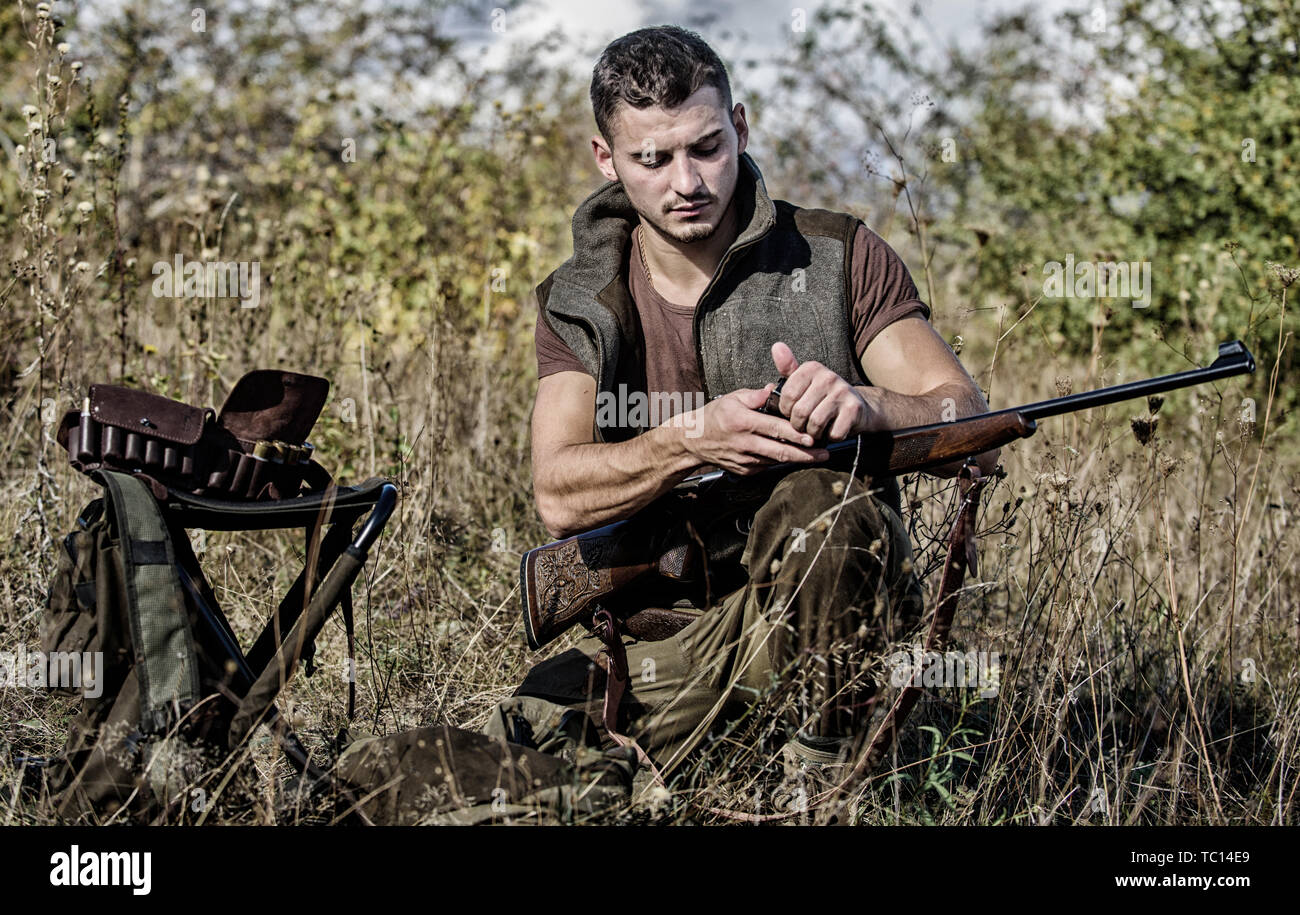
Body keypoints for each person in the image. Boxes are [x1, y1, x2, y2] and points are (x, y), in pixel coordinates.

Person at [483, 25, 997, 799]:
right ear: (606, 159)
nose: (686, 180)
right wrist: (694, 441)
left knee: (822, 500)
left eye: (707, 147)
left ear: (742, 128)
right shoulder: (580, 301)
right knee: (482, 771)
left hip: (828, 631)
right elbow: (558, 493)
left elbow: (974, 431)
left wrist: (866, 404)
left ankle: (821, 782)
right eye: (652, 159)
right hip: (660, 652)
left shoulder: (839, 257)